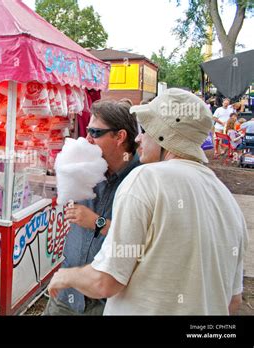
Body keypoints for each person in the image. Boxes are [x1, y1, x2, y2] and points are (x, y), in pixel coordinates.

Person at [48, 88, 248, 315]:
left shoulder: (146, 178)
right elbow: (233, 301)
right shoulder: (227, 200)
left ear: (165, 135)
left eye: (147, 130)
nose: (139, 137)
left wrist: (65, 276)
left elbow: (105, 281)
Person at [44, 100, 140, 315]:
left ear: (120, 137)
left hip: (106, 300)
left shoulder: (142, 178)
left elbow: (143, 244)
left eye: (95, 132)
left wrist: (97, 223)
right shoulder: (86, 165)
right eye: (87, 131)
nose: (86, 138)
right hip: (69, 286)